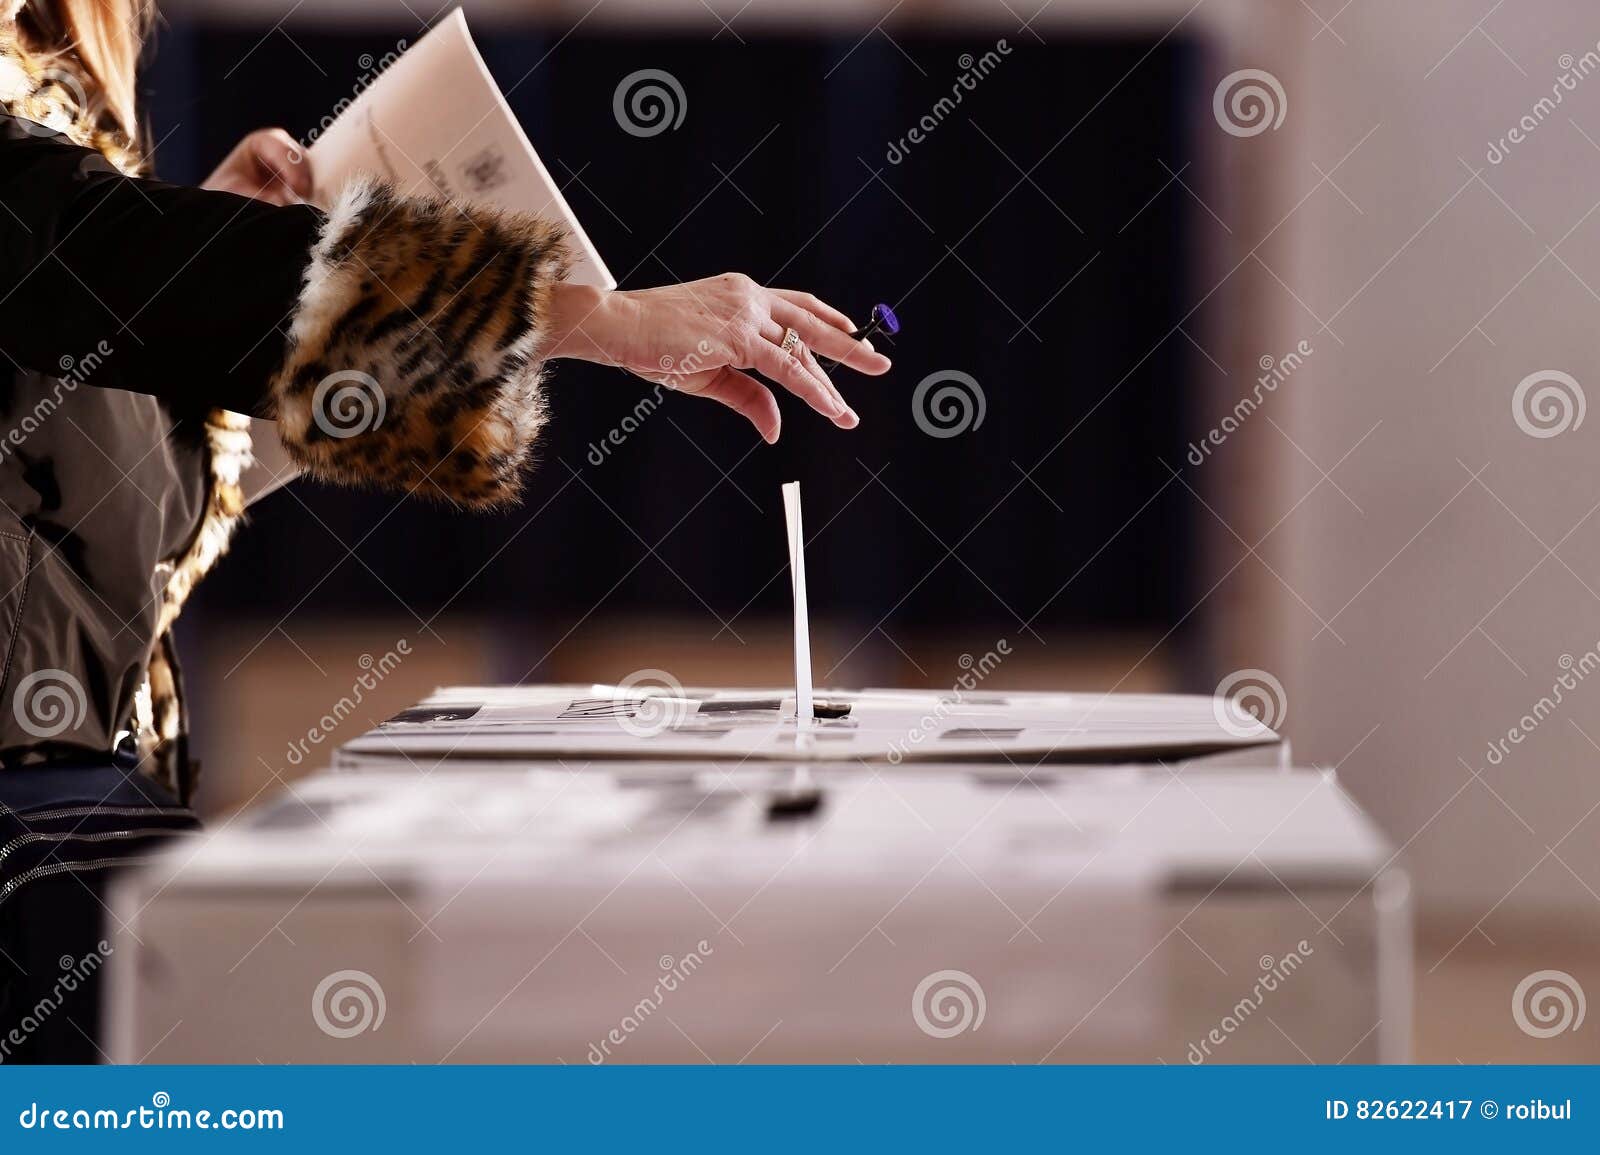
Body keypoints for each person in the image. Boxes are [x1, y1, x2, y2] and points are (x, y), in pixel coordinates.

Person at [0, 0, 890, 1062]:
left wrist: (206, 321)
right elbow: (88, 254)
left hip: (88, 786)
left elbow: (123, 509)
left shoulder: (61, 86)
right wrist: (590, 318)